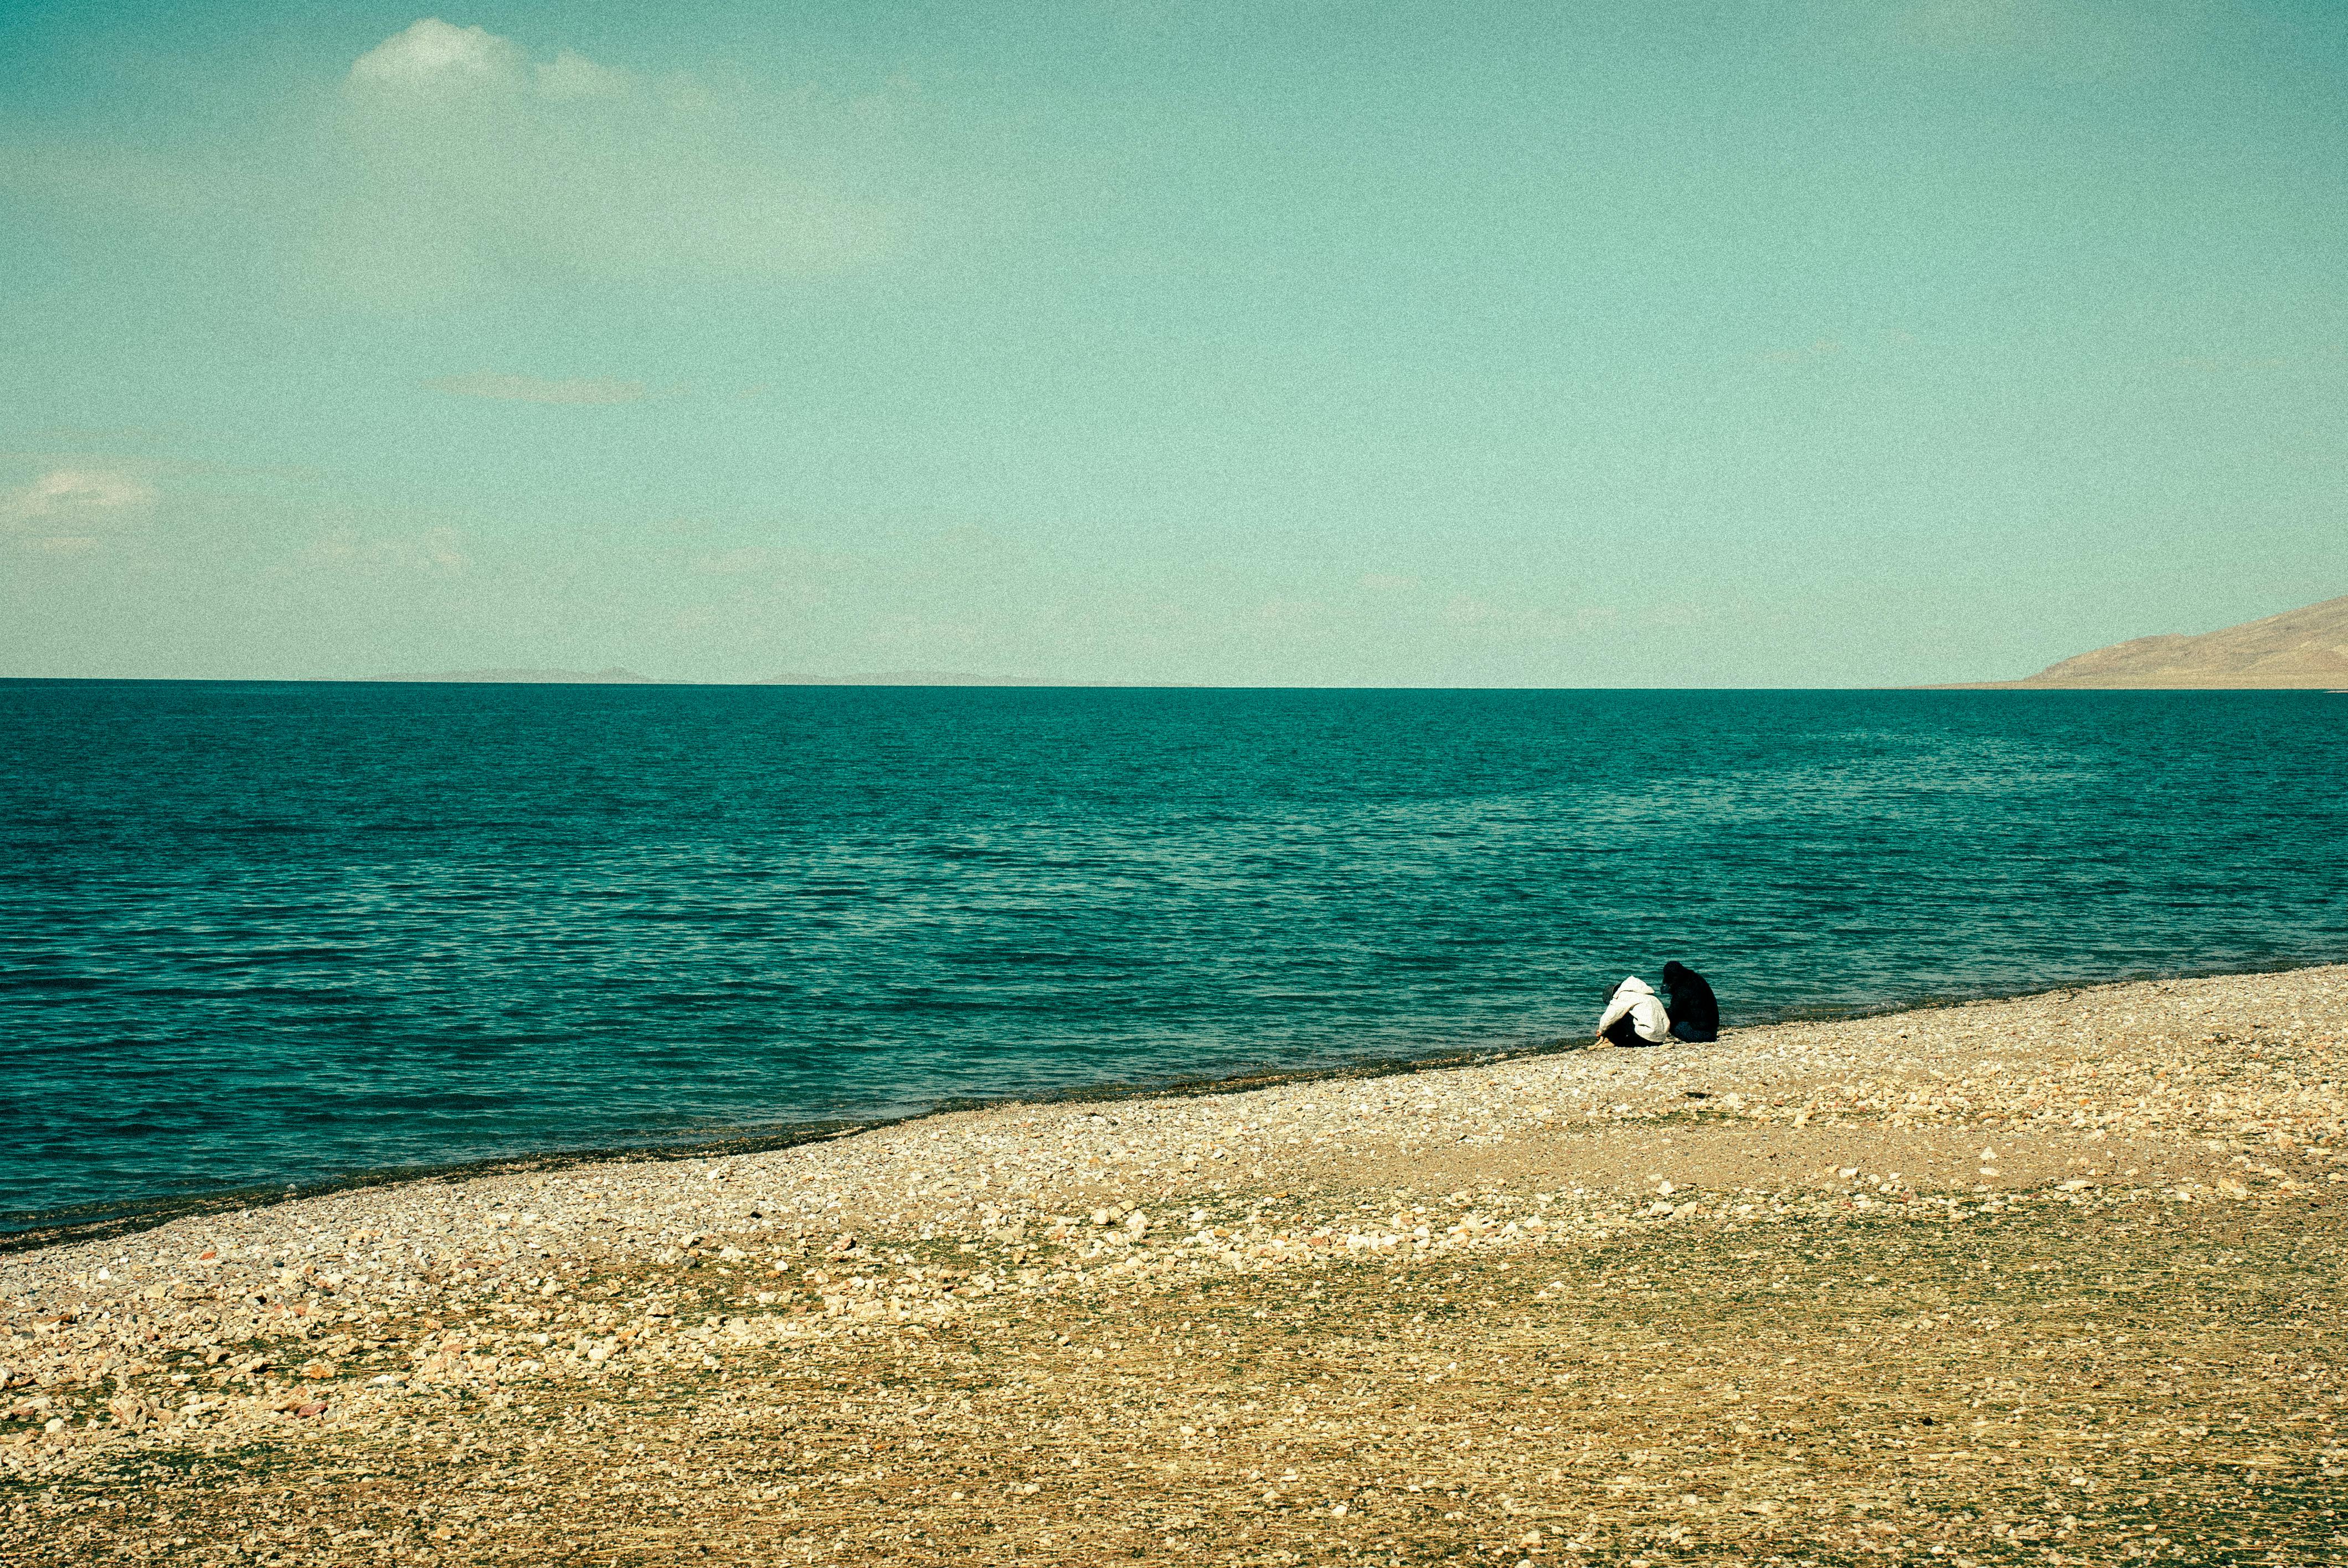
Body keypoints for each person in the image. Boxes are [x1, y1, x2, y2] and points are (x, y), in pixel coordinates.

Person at [1595, 975, 1672, 1048]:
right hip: (1659, 1038)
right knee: (1624, 1013)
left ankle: (1612, 1039)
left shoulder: (1624, 995)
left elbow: (1610, 1017)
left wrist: (1602, 1031)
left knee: (1619, 1016)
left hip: (1645, 1038)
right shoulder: (1651, 997)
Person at [1661, 961, 1719, 1044]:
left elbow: (1672, 1014)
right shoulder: (1696, 979)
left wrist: (1659, 1010)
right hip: (1712, 1031)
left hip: (1701, 1034)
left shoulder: (1682, 990)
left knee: (1667, 1021)